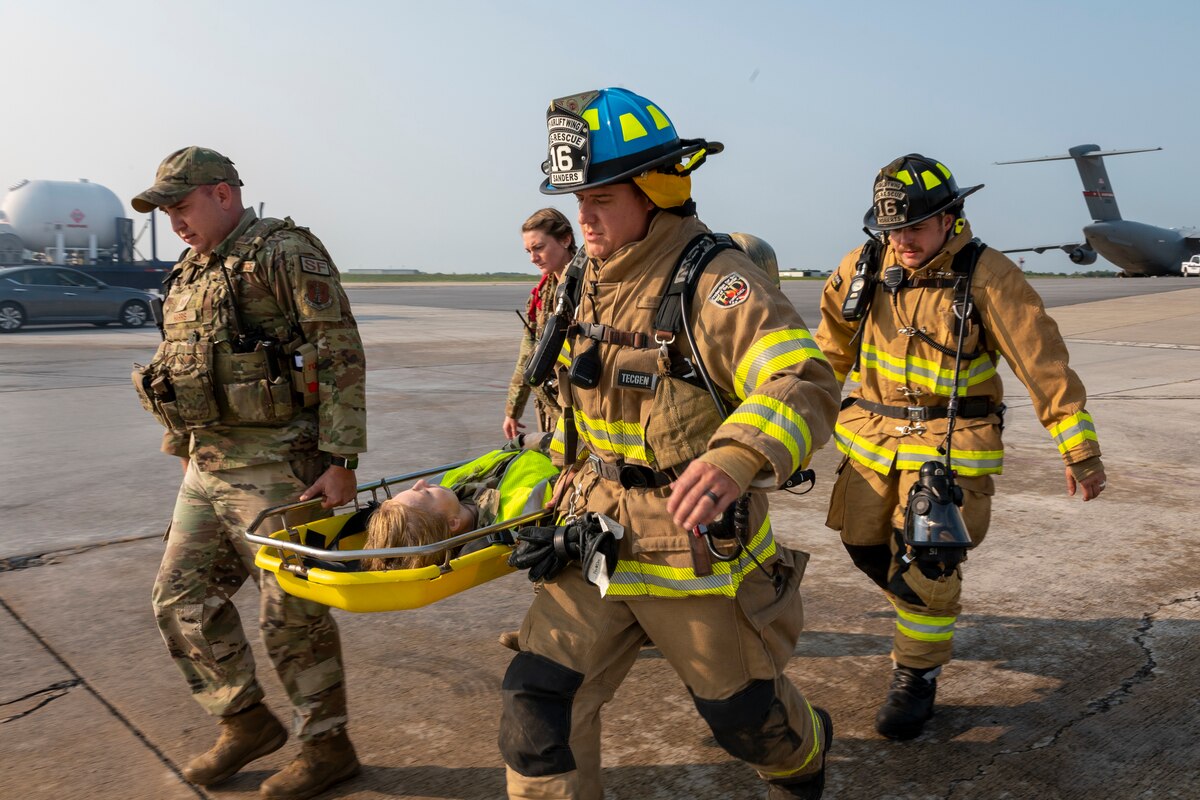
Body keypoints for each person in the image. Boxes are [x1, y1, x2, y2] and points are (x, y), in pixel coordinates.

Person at [498, 88, 841, 800]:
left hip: (693, 550)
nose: (582, 215)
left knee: (749, 723)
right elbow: (574, 402)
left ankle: (806, 751)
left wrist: (735, 455)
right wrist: (555, 484)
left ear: (656, 190)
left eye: (600, 196)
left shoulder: (715, 280)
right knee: (537, 712)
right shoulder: (578, 282)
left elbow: (802, 378)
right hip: (593, 533)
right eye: (575, 197)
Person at [815, 154, 1108, 741]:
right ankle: (929, 603)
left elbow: (1041, 363)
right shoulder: (862, 266)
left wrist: (1079, 449)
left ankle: (915, 676)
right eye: (890, 230)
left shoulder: (989, 275)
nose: (901, 242)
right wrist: (788, 427)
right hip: (871, 441)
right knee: (862, 542)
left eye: (914, 229)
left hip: (950, 449)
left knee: (928, 561)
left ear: (951, 218)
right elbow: (826, 354)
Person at [130, 146, 366, 799]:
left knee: (289, 614)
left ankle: (328, 745)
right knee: (180, 599)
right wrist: (180, 437)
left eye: (181, 205)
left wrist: (342, 461)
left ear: (223, 194)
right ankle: (244, 721)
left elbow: (339, 349)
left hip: (279, 462)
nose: (174, 221)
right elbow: (182, 365)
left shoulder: (284, 252)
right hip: (207, 463)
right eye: (166, 210)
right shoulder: (189, 270)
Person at [363, 438, 558, 571]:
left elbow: (504, 454)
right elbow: (560, 485)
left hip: (541, 443)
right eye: (426, 493)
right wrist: (548, 441)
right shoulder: (510, 517)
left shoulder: (450, 488)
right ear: (453, 523)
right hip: (565, 452)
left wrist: (521, 441)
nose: (421, 483)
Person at [503, 208, 576, 440]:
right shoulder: (541, 296)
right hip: (553, 410)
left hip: (585, 409)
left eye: (539, 248)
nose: (533, 258)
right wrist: (512, 411)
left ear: (565, 239)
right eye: (528, 251)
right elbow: (528, 355)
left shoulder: (594, 287)